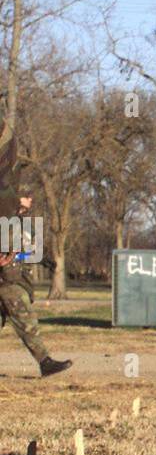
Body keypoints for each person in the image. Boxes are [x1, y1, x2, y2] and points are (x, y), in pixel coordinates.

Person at [0, 140, 71, 378]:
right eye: (27, 196)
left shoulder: (21, 222)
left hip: (12, 279)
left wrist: (46, 261)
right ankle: (45, 362)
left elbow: (29, 250)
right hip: (6, 281)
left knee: (25, 319)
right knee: (25, 320)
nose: (30, 200)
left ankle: (45, 362)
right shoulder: (6, 216)